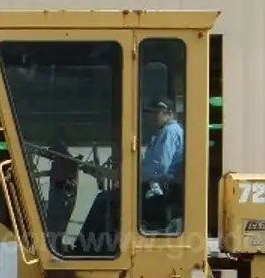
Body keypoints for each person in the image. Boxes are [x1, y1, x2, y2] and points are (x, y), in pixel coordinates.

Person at [71, 97, 184, 254]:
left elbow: (158, 168)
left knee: (104, 200)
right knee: (109, 199)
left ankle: (84, 249)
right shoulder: (169, 131)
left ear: (168, 112)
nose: (150, 116)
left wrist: (129, 177)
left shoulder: (169, 132)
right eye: (149, 113)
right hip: (159, 191)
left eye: (155, 112)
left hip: (160, 196)